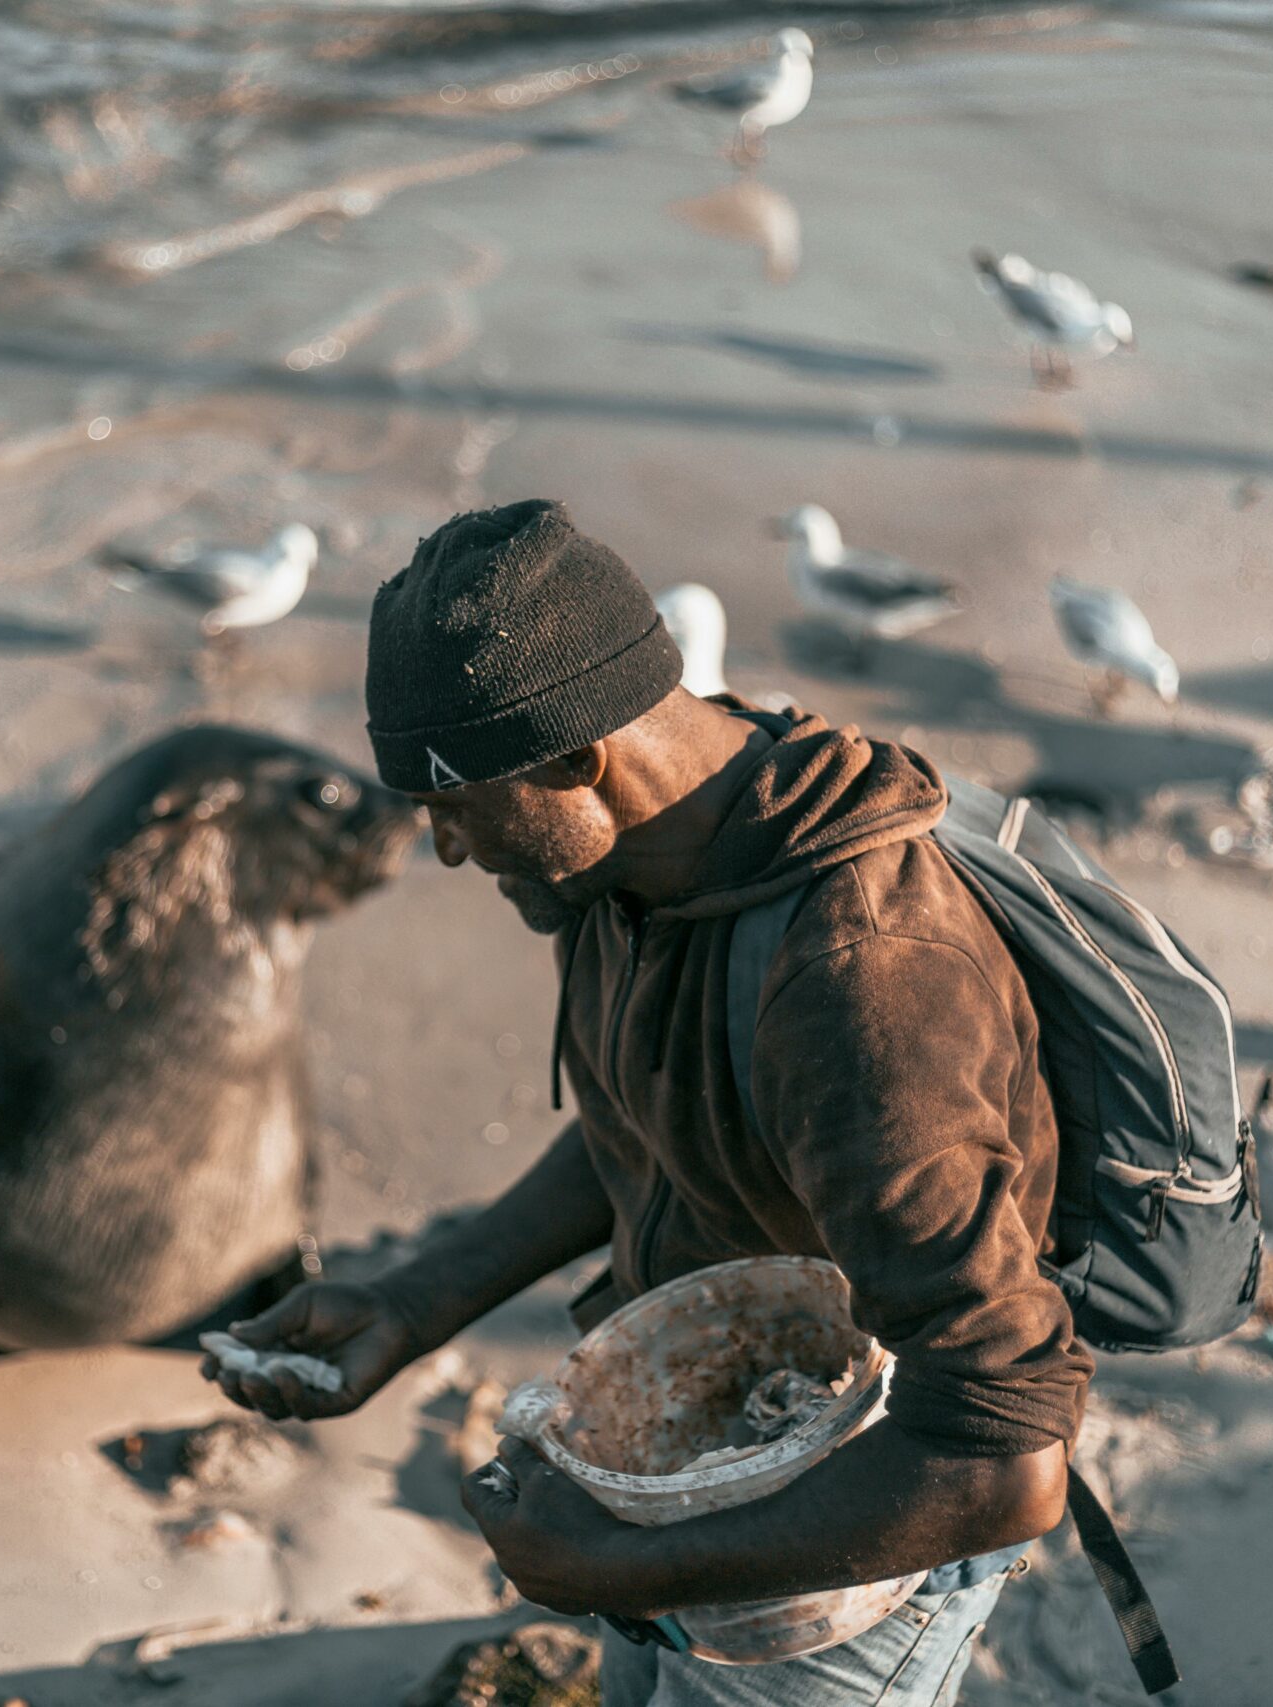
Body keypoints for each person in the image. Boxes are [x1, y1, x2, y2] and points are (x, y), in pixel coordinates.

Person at [202, 500, 1091, 1706]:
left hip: (855, 1530)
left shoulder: (860, 989)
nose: (447, 854)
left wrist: (630, 1564)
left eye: (454, 808)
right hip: (677, 1467)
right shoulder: (621, 854)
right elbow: (656, 1119)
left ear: (580, 757)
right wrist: (414, 1303)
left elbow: (1003, 1460)